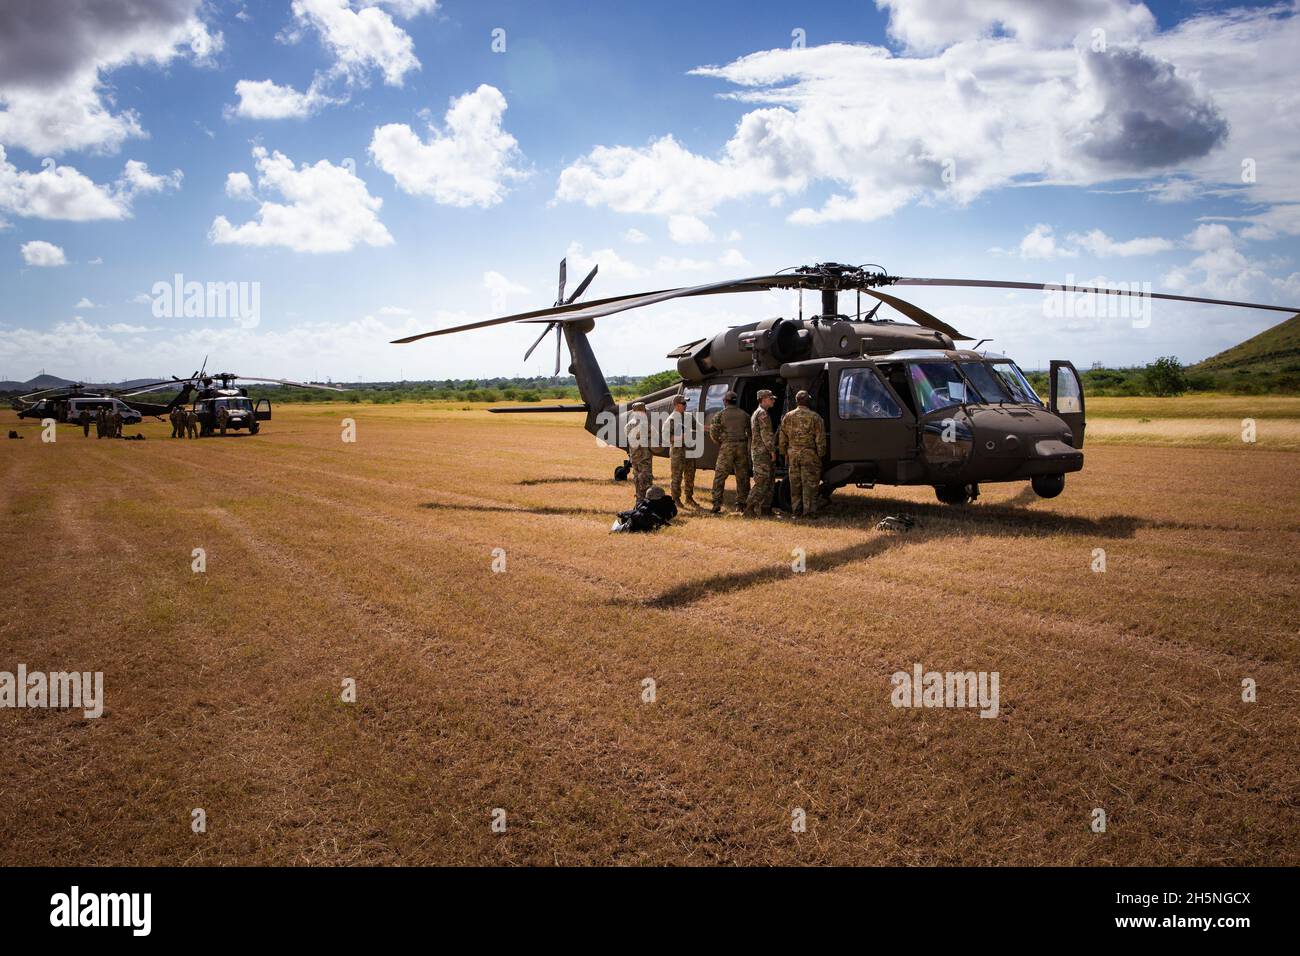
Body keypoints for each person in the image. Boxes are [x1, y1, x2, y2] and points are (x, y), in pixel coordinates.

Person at [779, 390, 827, 519]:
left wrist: (784, 453)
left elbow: (782, 437)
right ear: (808, 401)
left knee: (795, 484)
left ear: (797, 401)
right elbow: (820, 439)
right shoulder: (815, 417)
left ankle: (796, 511)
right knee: (810, 484)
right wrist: (821, 455)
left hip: (793, 454)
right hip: (809, 454)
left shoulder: (788, 416)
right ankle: (809, 512)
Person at [708, 390, 751, 513]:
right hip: (742, 447)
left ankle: (716, 503)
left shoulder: (720, 415)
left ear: (725, 401)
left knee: (720, 476)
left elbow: (713, 432)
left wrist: (722, 442)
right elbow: (750, 431)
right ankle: (741, 504)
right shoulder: (744, 414)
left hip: (727, 447)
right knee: (742, 476)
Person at [744, 389, 777, 517]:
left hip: (762, 452)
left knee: (768, 481)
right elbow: (766, 435)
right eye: (771, 398)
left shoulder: (759, 413)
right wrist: (772, 450)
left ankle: (765, 508)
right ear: (763, 400)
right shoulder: (762, 414)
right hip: (762, 453)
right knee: (762, 481)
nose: (773, 400)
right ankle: (749, 508)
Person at [666, 393, 700, 508]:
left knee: (690, 475)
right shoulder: (671, 420)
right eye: (683, 403)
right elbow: (667, 437)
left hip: (689, 451)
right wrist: (681, 437)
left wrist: (713, 427)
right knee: (677, 476)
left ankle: (689, 498)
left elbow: (698, 427)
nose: (686, 405)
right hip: (677, 453)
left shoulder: (689, 417)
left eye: (686, 403)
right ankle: (675, 499)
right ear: (676, 405)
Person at [626, 401, 654, 504]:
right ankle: (645, 504)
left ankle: (639, 502)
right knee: (645, 481)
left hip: (635, 458)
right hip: (644, 459)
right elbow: (654, 434)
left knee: (637, 480)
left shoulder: (629, 424)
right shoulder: (644, 424)